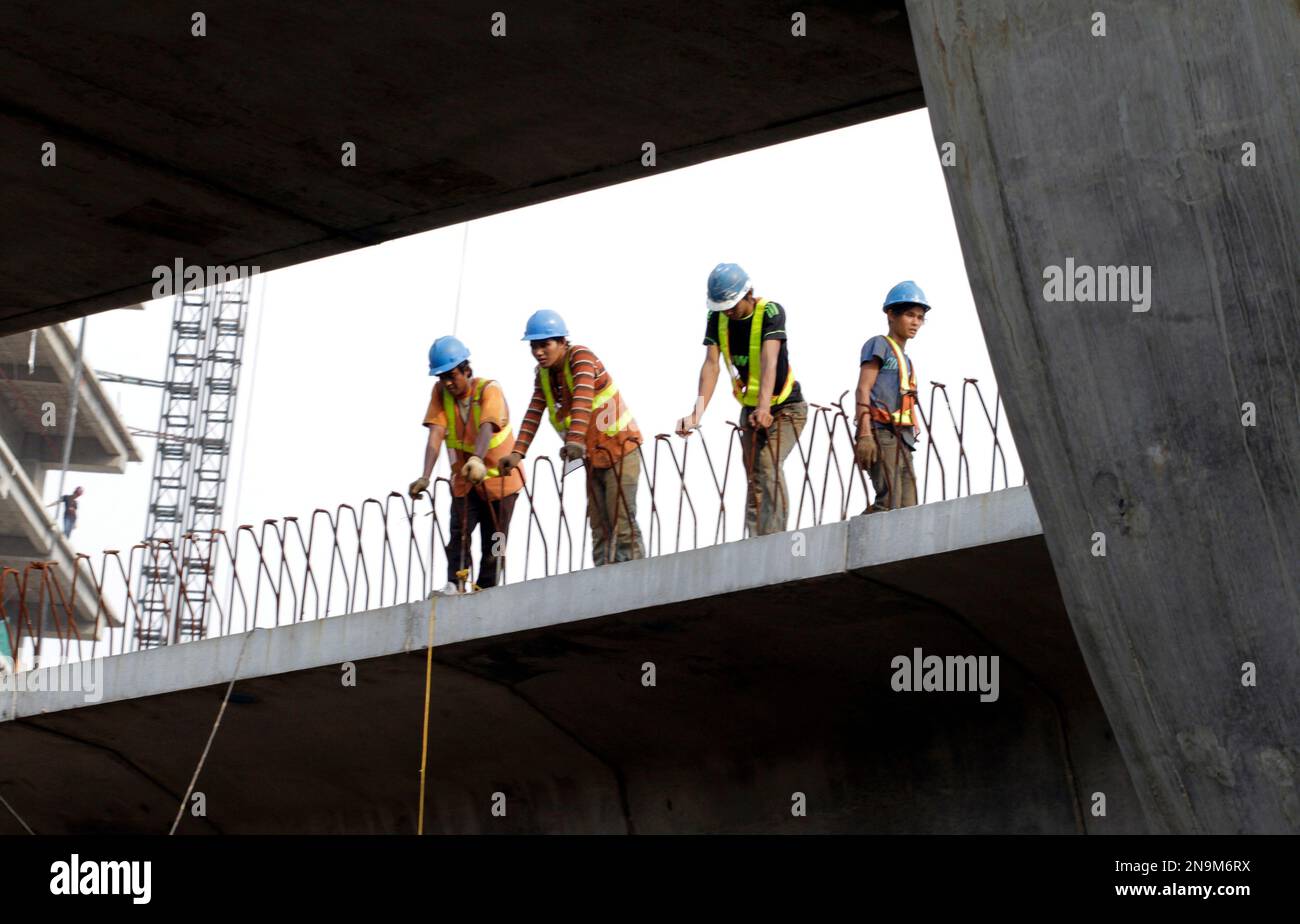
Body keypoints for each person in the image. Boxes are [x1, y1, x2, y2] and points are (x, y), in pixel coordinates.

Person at [499, 310, 645, 566]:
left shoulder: (582, 358)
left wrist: (574, 440)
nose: (539, 352)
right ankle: (604, 583)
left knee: (621, 521)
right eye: (534, 346)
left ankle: (636, 579)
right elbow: (534, 411)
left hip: (620, 449)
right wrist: (517, 453)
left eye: (545, 345)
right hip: (593, 456)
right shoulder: (544, 376)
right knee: (599, 526)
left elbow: (583, 398)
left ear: (562, 342)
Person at [675, 263, 807, 537]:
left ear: (748, 293)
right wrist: (696, 414)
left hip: (787, 407)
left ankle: (776, 539)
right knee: (754, 475)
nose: (729, 311)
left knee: (768, 463)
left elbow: (769, 360)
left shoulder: (770, 311)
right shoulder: (717, 317)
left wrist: (764, 407)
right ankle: (757, 539)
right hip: (750, 410)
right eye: (723, 306)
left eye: (732, 304)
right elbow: (711, 366)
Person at [409, 336, 524, 593]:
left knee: (495, 540)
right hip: (465, 482)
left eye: (452, 375)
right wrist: (425, 476)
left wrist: (476, 458)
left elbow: (487, 426)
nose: (448, 383)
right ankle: (456, 582)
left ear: (466, 370)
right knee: (459, 532)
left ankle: (487, 587)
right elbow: (436, 433)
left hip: (500, 481)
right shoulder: (441, 394)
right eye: (442, 378)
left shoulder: (488, 390)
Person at [855, 281, 930, 512]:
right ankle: (860, 539)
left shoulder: (905, 359)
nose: (915, 322)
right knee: (889, 500)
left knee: (909, 507)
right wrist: (865, 434)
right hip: (880, 431)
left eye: (919, 317)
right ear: (891, 314)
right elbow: (863, 388)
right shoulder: (879, 345)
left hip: (901, 436)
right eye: (909, 315)